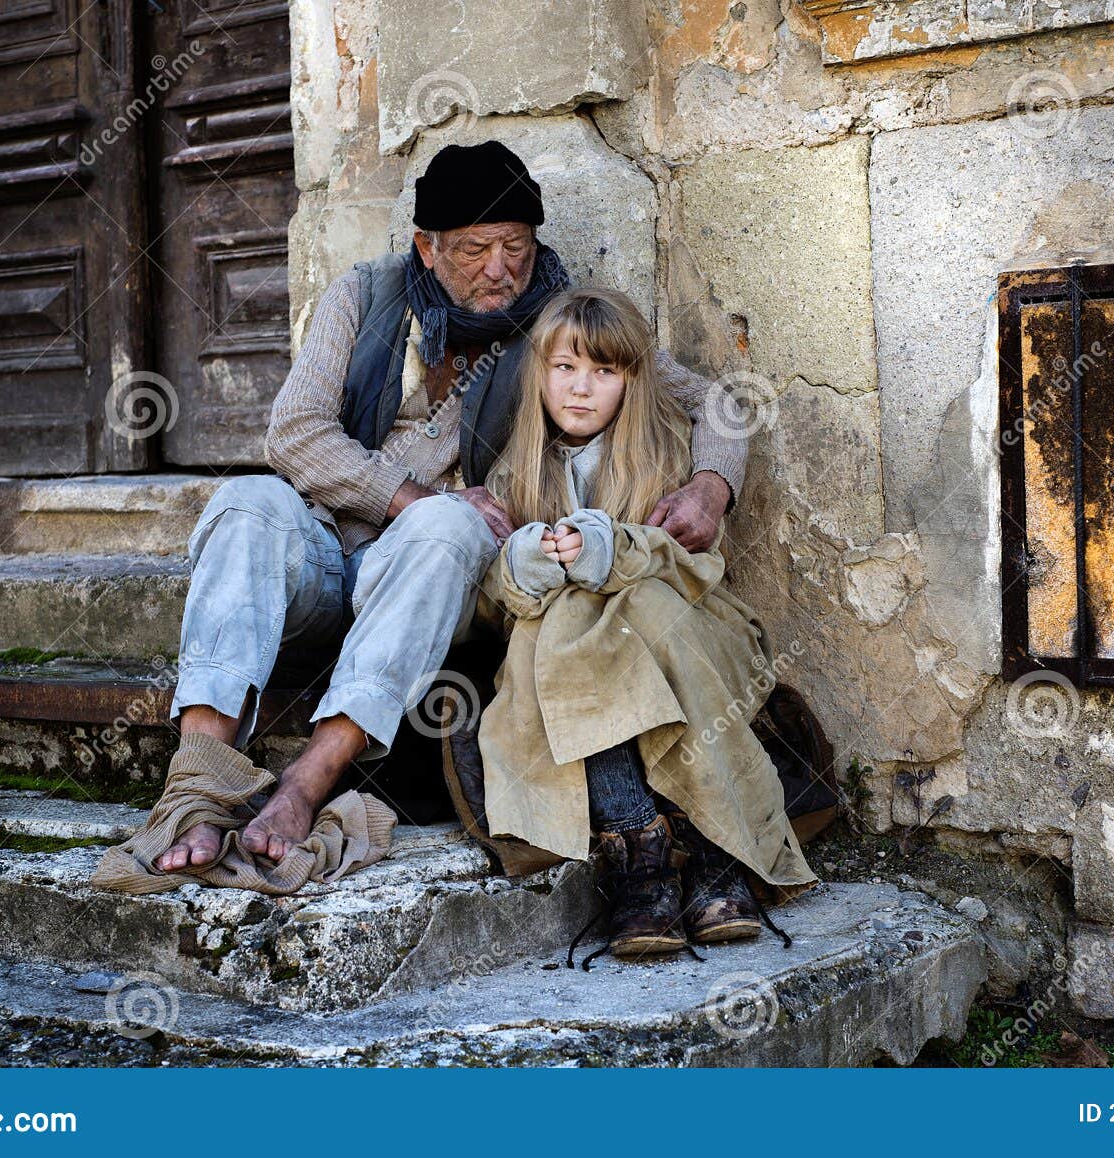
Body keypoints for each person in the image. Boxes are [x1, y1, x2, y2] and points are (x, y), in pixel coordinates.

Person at [146, 140, 746, 877]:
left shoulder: (559, 326)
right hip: (329, 554)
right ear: (427, 249)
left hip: (445, 575)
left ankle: (304, 785)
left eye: (515, 248)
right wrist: (406, 495)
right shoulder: (364, 295)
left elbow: (718, 403)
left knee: (448, 522)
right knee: (246, 501)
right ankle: (199, 788)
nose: (499, 270)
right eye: (474, 250)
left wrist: (712, 484)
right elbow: (294, 433)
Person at [475, 288, 816, 965]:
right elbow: (495, 600)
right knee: (563, 625)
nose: (580, 388)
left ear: (633, 380)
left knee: (638, 616)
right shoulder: (514, 471)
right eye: (565, 368)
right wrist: (524, 561)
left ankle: (709, 845)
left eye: (603, 372)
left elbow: (693, 570)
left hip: (682, 631)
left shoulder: (665, 452)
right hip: (572, 661)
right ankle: (641, 852)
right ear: (538, 372)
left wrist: (612, 549)